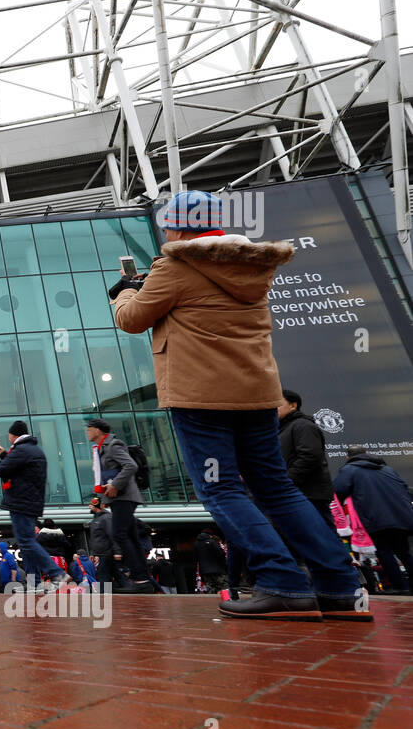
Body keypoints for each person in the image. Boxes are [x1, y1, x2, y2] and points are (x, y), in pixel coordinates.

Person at [112, 189, 368, 621]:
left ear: (175, 226)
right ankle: (341, 589)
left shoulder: (175, 265)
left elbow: (133, 319)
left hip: (202, 395)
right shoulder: (253, 263)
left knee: (222, 489)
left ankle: (284, 584)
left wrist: (122, 293)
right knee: (277, 489)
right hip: (257, 393)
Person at [0, 421, 69, 593]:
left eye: (10, 435)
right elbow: (18, 469)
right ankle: (34, 583)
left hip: (22, 502)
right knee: (26, 544)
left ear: (14, 435)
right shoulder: (31, 450)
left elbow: (1, 470)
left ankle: (57, 573)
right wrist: (5, 454)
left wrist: (2, 459)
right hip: (30, 501)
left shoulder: (21, 450)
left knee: (26, 542)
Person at [84, 418, 154, 592]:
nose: (87, 432)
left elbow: (130, 466)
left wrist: (115, 485)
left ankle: (139, 579)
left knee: (120, 534)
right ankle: (143, 580)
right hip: (118, 498)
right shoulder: (102, 448)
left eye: (89, 429)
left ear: (98, 430)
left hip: (125, 496)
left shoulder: (113, 444)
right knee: (131, 537)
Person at [333, 446, 413, 595]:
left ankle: (400, 587)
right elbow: (405, 489)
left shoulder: (350, 470)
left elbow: (337, 492)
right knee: (404, 552)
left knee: (384, 551)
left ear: (348, 458)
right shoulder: (387, 469)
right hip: (402, 516)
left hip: (377, 518)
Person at [277, 390, 337, 529]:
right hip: (297, 492)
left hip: (310, 493)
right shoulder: (283, 429)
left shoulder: (302, 425)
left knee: (323, 534)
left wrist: (287, 480)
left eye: (278, 404)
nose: (274, 408)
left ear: (293, 405)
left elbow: (310, 456)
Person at [195, 528, 229, 593]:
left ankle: (213, 602)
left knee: (210, 589)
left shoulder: (196, 544)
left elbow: (196, 557)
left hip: (205, 572)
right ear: (210, 535)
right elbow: (221, 553)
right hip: (218, 570)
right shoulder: (212, 542)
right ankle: (226, 602)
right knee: (224, 589)